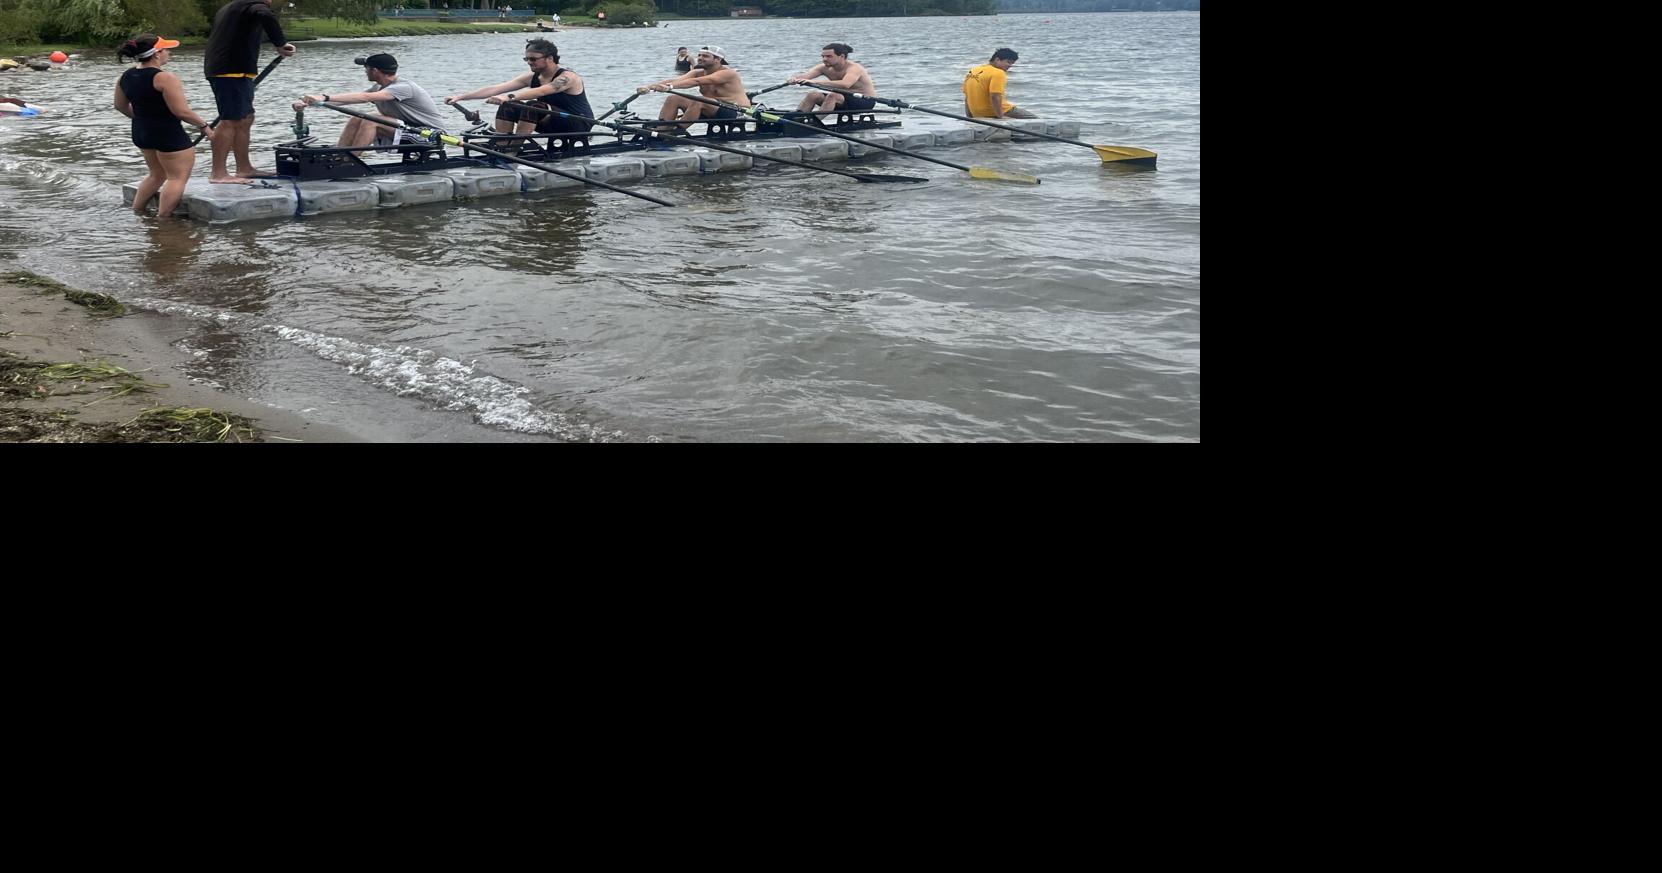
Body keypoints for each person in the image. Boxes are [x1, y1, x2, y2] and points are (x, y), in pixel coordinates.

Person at [113, 35, 215, 218]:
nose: (169, 53)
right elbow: (181, 112)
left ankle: (137, 212)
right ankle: (163, 221)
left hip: (141, 132)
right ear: (156, 54)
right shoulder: (164, 78)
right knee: (177, 178)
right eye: (166, 49)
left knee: (156, 175)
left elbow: (120, 105)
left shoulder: (126, 76)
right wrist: (204, 126)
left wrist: (143, 118)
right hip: (167, 133)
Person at [204, 0, 296, 183]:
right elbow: (266, 15)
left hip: (237, 70)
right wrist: (280, 43)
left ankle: (244, 168)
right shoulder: (254, 6)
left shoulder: (233, 7)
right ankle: (218, 173)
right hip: (228, 70)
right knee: (230, 119)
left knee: (246, 117)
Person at [443, 40, 594, 140]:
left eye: (533, 59)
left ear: (550, 58)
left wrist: (509, 96)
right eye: (526, 59)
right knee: (508, 106)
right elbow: (496, 88)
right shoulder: (531, 77)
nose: (529, 62)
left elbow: (542, 91)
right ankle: (502, 146)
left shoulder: (568, 77)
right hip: (551, 122)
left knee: (533, 105)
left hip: (578, 124)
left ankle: (513, 149)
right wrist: (460, 97)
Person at [293, 54, 449, 148]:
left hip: (430, 135)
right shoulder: (379, 86)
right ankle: (339, 155)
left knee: (371, 121)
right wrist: (309, 103)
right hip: (409, 130)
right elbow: (350, 100)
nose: (364, 71)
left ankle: (350, 160)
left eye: (366, 68)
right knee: (358, 117)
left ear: (375, 71)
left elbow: (366, 98)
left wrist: (324, 97)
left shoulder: (403, 87)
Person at [636, 46, 748, 126]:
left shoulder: (728, 73)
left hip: (737, 112)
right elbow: (675, 80)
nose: (700, 58)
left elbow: (697, 81)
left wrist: (670, 87)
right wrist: (649, 87)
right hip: (713, 110)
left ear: (718, 59)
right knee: (673, 99)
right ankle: (662, 131)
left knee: (700, 101)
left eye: (705, 56)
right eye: (699, 55)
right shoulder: (697, 71)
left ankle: (678, 131)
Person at [787, 43, 876, 113]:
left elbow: (845, 84)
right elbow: (805, 76)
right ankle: (797, 118)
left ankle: (815, 122)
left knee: (833, 95)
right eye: (823, 56)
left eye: (829, 56)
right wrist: (793, 79)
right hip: (842, 100)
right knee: (812, 95)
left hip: (864, 101)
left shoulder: (854, 68)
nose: (824, 59)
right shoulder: (823, 67)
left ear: (842, 56)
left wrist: (815, 82)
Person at [963, 47, 1036, 120]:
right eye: (1008, 62)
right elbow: (995, 96)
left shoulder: (973, 71)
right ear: (997, 59)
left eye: (1012, 63)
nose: (1010, 65)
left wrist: (970, 118)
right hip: (1000, 111)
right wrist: (1001, 117)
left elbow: (967, 96)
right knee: (1036, 120)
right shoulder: (998, 73)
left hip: (977, 113)